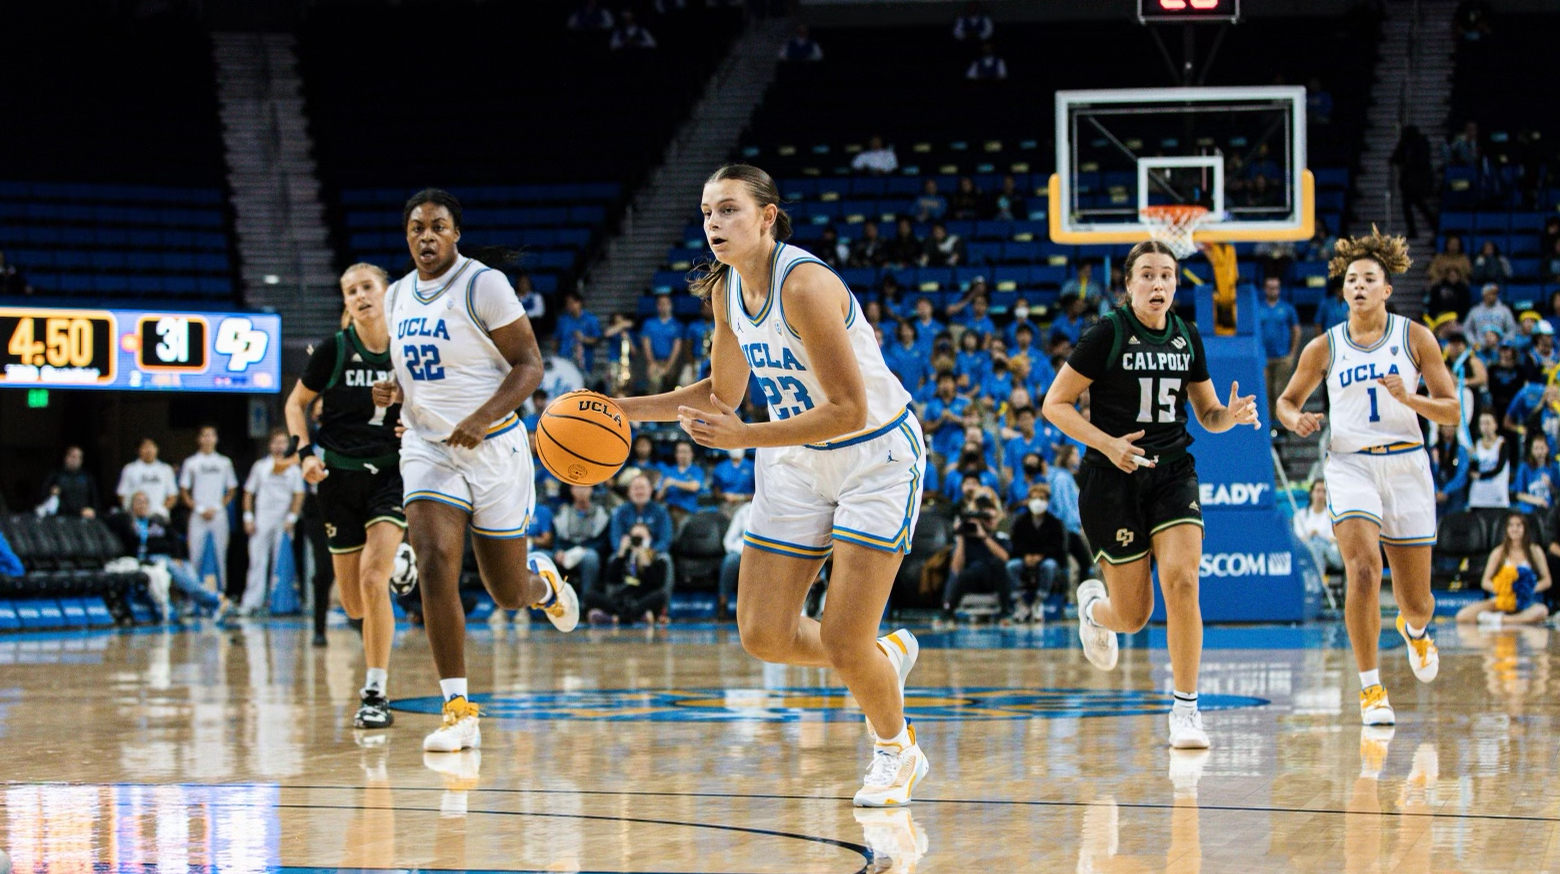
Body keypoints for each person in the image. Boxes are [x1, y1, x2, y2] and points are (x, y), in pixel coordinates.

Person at [614, 164, 928, 807]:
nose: (714, 224)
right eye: (707, 213)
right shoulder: (727, 290)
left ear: (766, 216)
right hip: (794, 459)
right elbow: (722, 394)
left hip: (874, 458)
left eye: (728, 210)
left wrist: (744, 438)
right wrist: (622, 409)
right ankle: (880, 657)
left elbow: (847, 408)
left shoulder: (806, 284)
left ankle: (898, 750)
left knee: (842, 638)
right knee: (765, 635)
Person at [373, 189, 579, 753]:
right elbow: (416, 371)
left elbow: (529, 365)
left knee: (507, 591)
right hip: (428, 448)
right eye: (416, 227)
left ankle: (545, 585)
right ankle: (458, 711)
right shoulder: (395, 297)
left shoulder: (482, 284)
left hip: (495, 446)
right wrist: (394, 391)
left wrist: (483, 416)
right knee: (437, 562)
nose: (426, 236)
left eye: (438, 226)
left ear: (455, 234)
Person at [1043, 240, 1260, 749]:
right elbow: (1056, 404)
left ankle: (1185, 709)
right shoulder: (1107, 333)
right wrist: (1107, 443)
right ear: (1129, 284)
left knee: (1183, 581)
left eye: (1166, 275)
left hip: (1172, 473)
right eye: (1147, 275)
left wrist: (1228, 417)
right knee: (1134, 616)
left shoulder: (1187, 336)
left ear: (1177, 285)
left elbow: (1206, 415)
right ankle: (1094, 608)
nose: (1158, 284)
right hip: (1111, 479)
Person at [1277, 229, 1459, 727]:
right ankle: (1371, 688)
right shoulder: (1324, 346)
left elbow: (1452, 412)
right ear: (1343, 291)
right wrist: (1296, 420)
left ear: (1386, 289)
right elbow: (1286, 402)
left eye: (1369, 279)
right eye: (1352, 279)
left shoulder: (1415, 337)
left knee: (1417, 601)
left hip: (1406, 464)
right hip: (1350, 462)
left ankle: (1415, 630)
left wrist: (1412, 400)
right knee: (1362, 570)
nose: (1359, 286)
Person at [284, 262, 412, 727]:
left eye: (367, 287)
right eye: (350, 291)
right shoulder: (334, 351)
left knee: (374, 582)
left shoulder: (408, 350)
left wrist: (411, 418)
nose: (360, 296)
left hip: (390, 474)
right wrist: (305, 454)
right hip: (338, 476)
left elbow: (437, 402)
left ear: (385, 293)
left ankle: (374, 691)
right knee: (355, 602)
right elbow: (295, 404)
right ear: (346, 303)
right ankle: (401, 563)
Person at [108, 491, 228, 621]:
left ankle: (205, 605)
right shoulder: (126, 522)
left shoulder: (157, 520)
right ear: (131, 505)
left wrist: (177, 556)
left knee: (188, 571)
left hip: (167, 557)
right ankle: (214, 600)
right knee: (171, 569)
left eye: (144, 502)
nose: (141, 505)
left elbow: (174, 539)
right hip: (148, 558)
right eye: (138, 502)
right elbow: (110, 522)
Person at [238, 429, 306, 617]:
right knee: (257, 561)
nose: (279, 446)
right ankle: (252, 602)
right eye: (276, 442)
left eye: (283, 442)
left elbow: (299, 494)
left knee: (281, 562)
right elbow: (248, 493)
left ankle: (278, 601)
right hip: (261, 520)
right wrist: (248, 517)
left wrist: (292, 518)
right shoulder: (260, 466)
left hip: (283, 521)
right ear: (270, 445)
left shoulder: (293, 468)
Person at [1456, 512, 1551, 626]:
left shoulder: (1535, 551)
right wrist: (1503, 589)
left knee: (1542, 611)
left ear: (1525, 528)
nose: (1514, 529)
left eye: (1518, 525)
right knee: (1462, 616)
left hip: (1527, 602)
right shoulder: (1498, 552)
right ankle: (1514, 619)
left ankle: (1500, 620)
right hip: (1502, 600)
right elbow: (1485, 582)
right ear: (1506, 529)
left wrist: (1527, 589)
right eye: (1511, 525)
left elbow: (1547, 581)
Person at [179, 425, 238, 597]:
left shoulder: (224, 462)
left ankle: (221, 595)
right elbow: (184, 490)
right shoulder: (191, 462)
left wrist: (218, 506)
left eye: (211, 435)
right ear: (199, 439)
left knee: (221, 555)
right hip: (198, 515)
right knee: (195, 556)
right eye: (204, 435)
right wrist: (198, 508)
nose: (208, 439)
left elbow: (232, 489)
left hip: (218, 514)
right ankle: (193, 597)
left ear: (216, 439)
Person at [942, 491, 1013, 622]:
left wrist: (984, 537)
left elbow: (1005, 558)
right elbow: (956, 568)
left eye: (993, 517)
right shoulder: (968, 540)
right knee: (963, 575)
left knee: (997, 564)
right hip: (973, 577)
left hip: (993, 578)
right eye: (987, 518)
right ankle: (948, 612)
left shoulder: (1000, 538)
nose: (991, 521)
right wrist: (961, 537)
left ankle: (1005, 611)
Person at [587, 523, 673, 625]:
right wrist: (621, 552)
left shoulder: (657, 558)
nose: (637, 541)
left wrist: (644, 559)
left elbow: (656, 584)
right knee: (589, 595)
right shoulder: (622, 557)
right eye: (635, 537)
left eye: (641, 537)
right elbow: (610, 579)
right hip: (621, 599)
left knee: (661, 595)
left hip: (642, 599)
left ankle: (615, 618)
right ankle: (637, 616)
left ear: (649, 539)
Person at [1006, 482, 1068, 621]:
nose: (1038, 502)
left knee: (1049, 566)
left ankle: (1039, 601)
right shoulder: (1020, 522)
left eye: (1041, 498)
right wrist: (1026, 556)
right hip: (1024, 557)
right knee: (1011, 566)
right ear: (1028, 500)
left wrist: (1040, 556)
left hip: (1047, 558)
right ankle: (1019, 603)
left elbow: (1058, 547)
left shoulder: (1055, 523)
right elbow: (1015, 544)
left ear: (1047, 501)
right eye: (1034, 498)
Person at [1257, 277, 1301, 425]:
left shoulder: (1287, 308)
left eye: (1276, 287)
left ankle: (1281, 425)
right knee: (1266, 393)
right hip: (1264, 358)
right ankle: (1269, 426)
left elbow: (1296, 330)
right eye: (1270, 287)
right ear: (1265, 289)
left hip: (1282, 357)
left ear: (1280, 289)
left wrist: (1292, 354)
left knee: (1280, 392)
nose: (1273, 290)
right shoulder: (1258, 308)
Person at [1389, 125, 1436, 238]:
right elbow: (1394, 158)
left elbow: (1423, 161)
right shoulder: (1404, 144)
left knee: (1418, 205)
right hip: (1407, 182)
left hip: (1419, 181)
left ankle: (1430, 225)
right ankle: (1417, 229)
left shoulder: (1421, 143)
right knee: (1412, 205)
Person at [1292, 479, 1344, 575]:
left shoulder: (1332, 516)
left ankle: (1318, 580)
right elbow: (1298, 539)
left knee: (1317, 544)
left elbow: (1333, 539)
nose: (1320, 495)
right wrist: (1311, 535)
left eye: (1324, 492)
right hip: (1306, 550)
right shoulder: (1301, 515)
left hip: (1330, 553)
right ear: (1311, 493)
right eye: (1318, 491)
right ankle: (1320, 580)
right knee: (1314, 545)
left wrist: (1318, 536)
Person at [117, 438, 177, 520]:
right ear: (138, 450)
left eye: (151, 447)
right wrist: (131, 511)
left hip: (159, 517)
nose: (148, 450)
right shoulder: (129, 469)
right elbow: (122, 494)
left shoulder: (166, 469)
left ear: (156, 449)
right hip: (136, 518)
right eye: (145, 447)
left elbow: (172, 496)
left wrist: (161, 510)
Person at [37, 446, 98, 518]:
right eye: (72, 456)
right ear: (66, 458)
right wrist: (51, 493)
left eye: (78, 457)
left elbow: (95, 498)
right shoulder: (56, 476)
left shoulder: (87, 478)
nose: (75, 460)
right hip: (60, 519)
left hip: (83, 518)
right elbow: (43, 497)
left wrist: (93, 511)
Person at [640, 293, 684, 393]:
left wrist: (668, 367)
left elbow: (677, 348)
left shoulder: (677, 325)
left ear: (671, 305)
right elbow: (646, 345)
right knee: (655, 382)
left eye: (666, 303)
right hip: (655, 362)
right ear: (657, 306)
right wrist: (651, 363)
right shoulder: (649, 324)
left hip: (671, 362)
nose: (664, 306)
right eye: (661, 304)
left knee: (672, 385)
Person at [717, 500, 752, 620]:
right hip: (741, 550)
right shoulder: (743, 511)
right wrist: (745, 551)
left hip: (765, 554)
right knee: (730, 561)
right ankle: (722, 602)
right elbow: (728, 540)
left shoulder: (774, 510)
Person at [656, 440, 706, 522]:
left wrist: (674, 482)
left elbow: (694, 487)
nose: (682, 455)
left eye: (685, 452)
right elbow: (658, 497)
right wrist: (664, 487)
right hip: (669, 511)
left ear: (691, 454)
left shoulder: (696, 470)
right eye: (680, 452)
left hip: (688, 512)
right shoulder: (669, 471)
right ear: (676, 454)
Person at [1511, 433, 1559, 517]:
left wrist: (1550, 485)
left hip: (1549, 512)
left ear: (1547, 449)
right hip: (1529, 512)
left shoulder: (1554, 468)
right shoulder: (1524, 468)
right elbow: (1520, 494)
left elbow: (1557, 492)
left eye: (1542, 448)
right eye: (1536, 448)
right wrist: (1537, 501)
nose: (1539, 452)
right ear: (1532, 450)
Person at [1431, 427, 1471, 519]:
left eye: (1451, 427)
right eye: (1445, 426)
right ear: (1440, 429)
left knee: (1454, 522)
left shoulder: (1461, 450)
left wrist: (1446, 490)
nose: (1448, 429)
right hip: (1436, 494)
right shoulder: (1433, 450)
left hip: (1455, 494)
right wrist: (1436, 490)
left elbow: (1461, 474)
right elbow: (1429, 472)